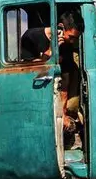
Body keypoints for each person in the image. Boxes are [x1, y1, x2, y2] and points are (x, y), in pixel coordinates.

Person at [19, 10, 84, 141]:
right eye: (70, 37)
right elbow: (27, 72)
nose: (71, 41)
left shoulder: (66, 46)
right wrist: (51, 51)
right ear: (60, 27)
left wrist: (63, 113)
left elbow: (65, 80)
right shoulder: (31, 37)